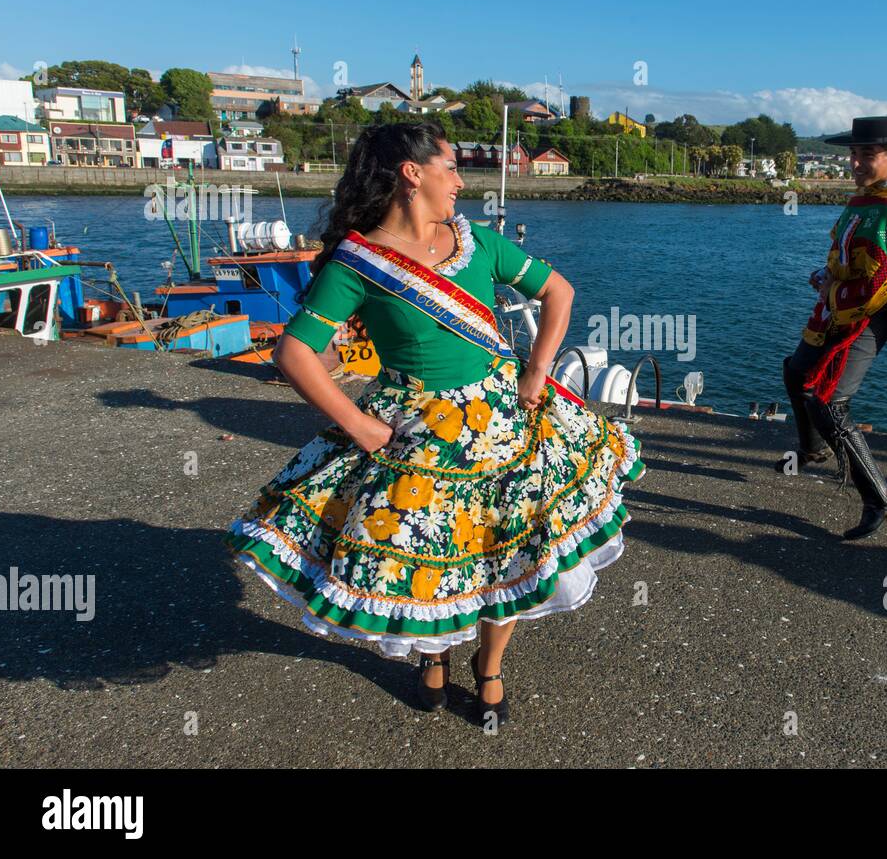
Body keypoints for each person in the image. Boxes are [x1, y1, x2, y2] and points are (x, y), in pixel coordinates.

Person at [224, 122, 644, 727]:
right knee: (430, 556)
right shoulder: (357, 261)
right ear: (412, 173)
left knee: (506, 553)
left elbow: (559, 291)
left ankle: (490, 666)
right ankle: (434, 658)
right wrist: (358, 426)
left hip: (506, 420)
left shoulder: (480, 243)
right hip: (417, 431)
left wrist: (537, 370)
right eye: (449, 167)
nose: (459, 182)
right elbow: (294, 353)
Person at [779, 116, 887, 538]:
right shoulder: (867, 197)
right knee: (796, 371)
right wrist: (827, 274)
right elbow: (849, 255)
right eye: (853, 153)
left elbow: (878, 283)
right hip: (841, 304)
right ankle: (811, 450)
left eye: (866, 155)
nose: (855, 163)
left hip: (872, 313)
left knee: (829, 403)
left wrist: (832, 287)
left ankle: (880, 498)